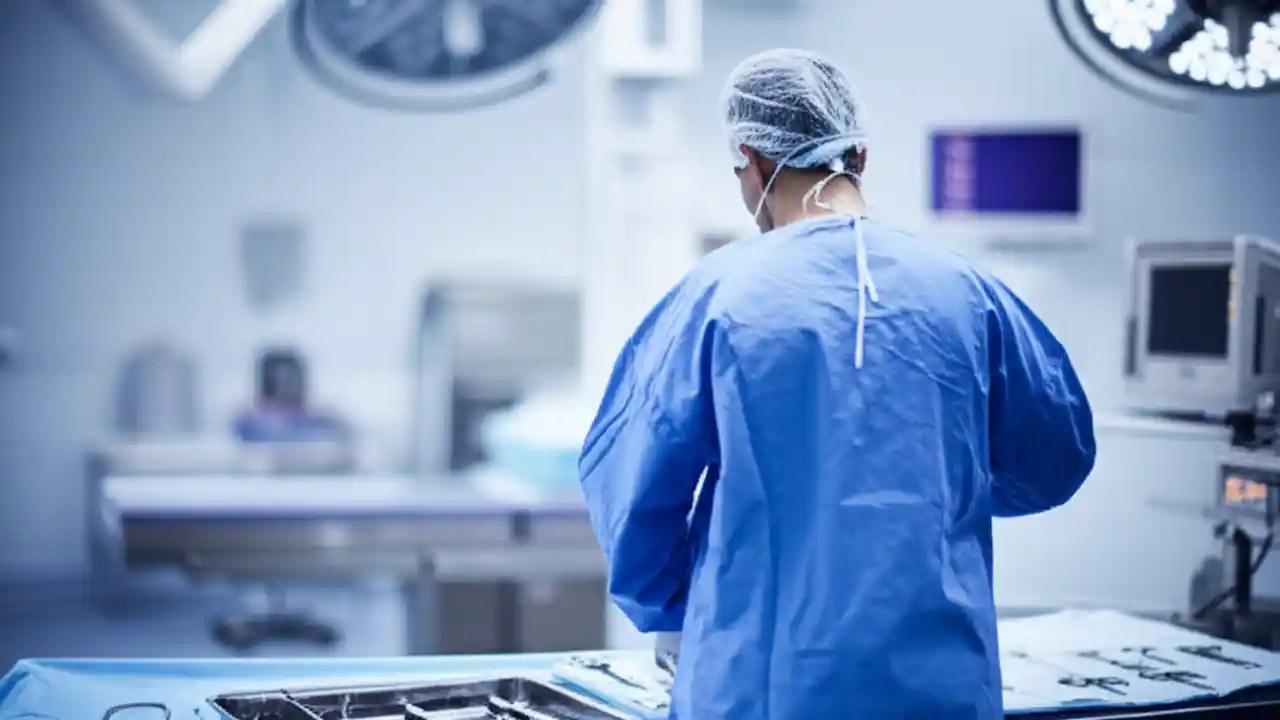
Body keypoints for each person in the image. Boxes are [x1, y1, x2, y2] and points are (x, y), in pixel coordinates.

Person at [578, 48, 1096, 719]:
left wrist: (680, 612)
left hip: (762, 689)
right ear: (860, 158)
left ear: (753, 162)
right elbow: (1056, 460)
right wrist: (931, 490)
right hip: (941, 693)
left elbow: (634, 496)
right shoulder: (965, 290)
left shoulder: (719, 294)